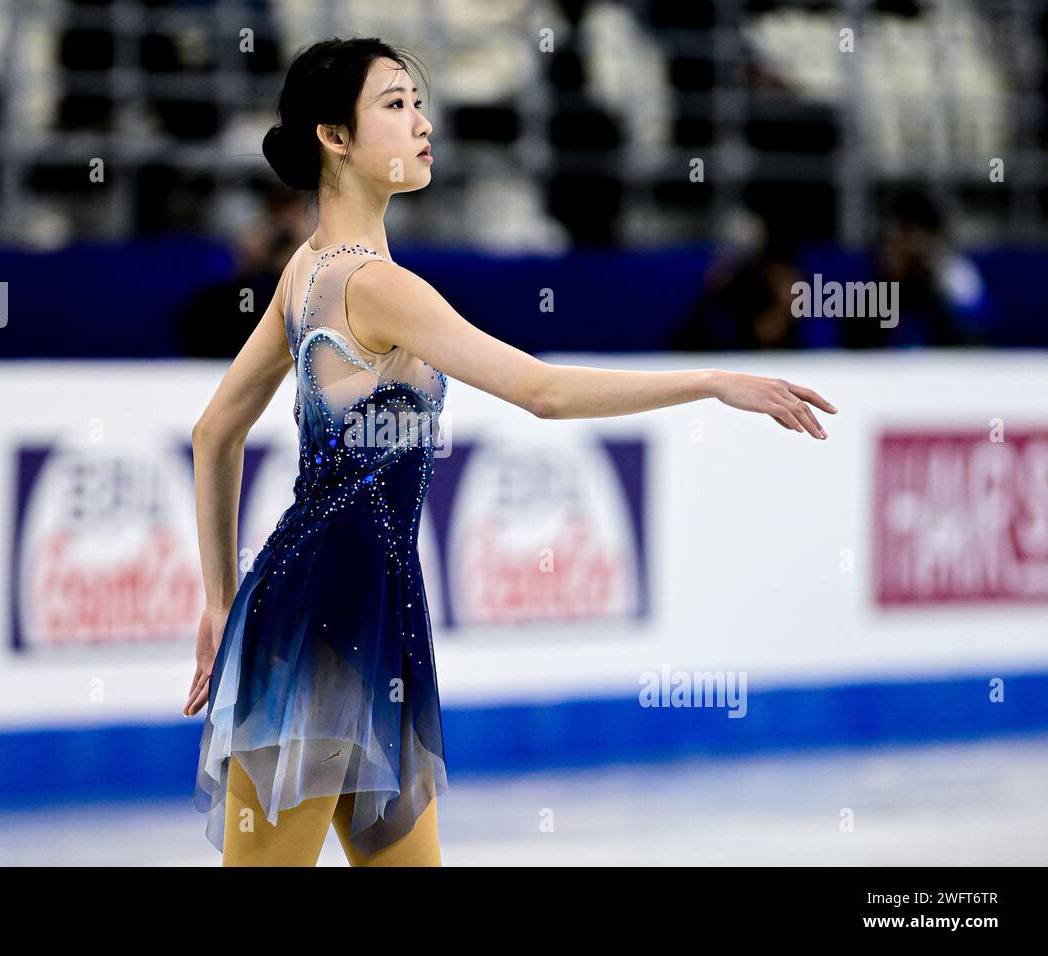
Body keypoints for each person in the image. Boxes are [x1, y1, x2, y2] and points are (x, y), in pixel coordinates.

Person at [186, 37, 837, 867]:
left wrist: (220, 600)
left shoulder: (305, 269)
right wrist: (709, 381)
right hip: (322, 624)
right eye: (394, 104)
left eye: (418, 102)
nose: (422, 122)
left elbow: (216, 432)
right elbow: (543, 391)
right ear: (334, 138)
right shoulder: (378, 286)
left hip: (361, 613)